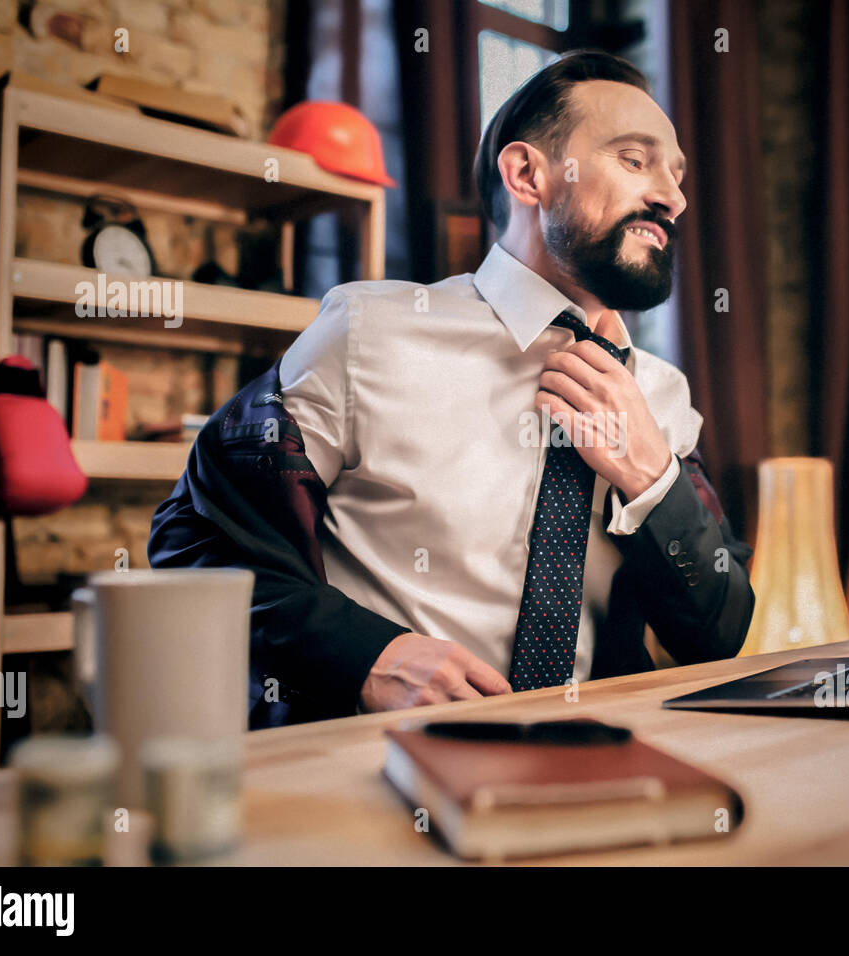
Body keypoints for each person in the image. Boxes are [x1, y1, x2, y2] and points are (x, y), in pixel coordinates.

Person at [150, 50, 754, 726]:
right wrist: (366, 657)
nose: (673, 198)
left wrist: (652, 479)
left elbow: (720, 634)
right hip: (377, 764)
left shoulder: (663, 397)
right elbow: (192, 542)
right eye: (636, 160)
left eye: (677, 176)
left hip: (592, 763)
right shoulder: (368, 334)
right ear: (527, 174)